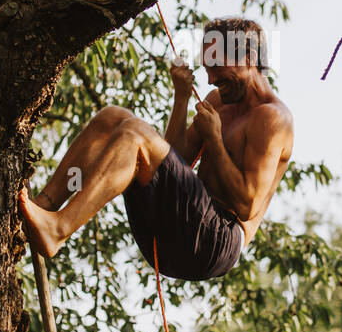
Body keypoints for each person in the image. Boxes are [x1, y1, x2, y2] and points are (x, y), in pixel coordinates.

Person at [18, 17, 293, 280]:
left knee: (135, 132)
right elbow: (176, 161)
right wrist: (181, 98)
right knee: (112, 118)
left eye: (216, 66)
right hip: (175, 230)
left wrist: (215, 140)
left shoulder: (272, 118)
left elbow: (247, 205)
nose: (210, 79)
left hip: (214, 242)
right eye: (207, 68)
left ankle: (59, 229)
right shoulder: (218, 102)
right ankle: (44, 205)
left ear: (247, 58)